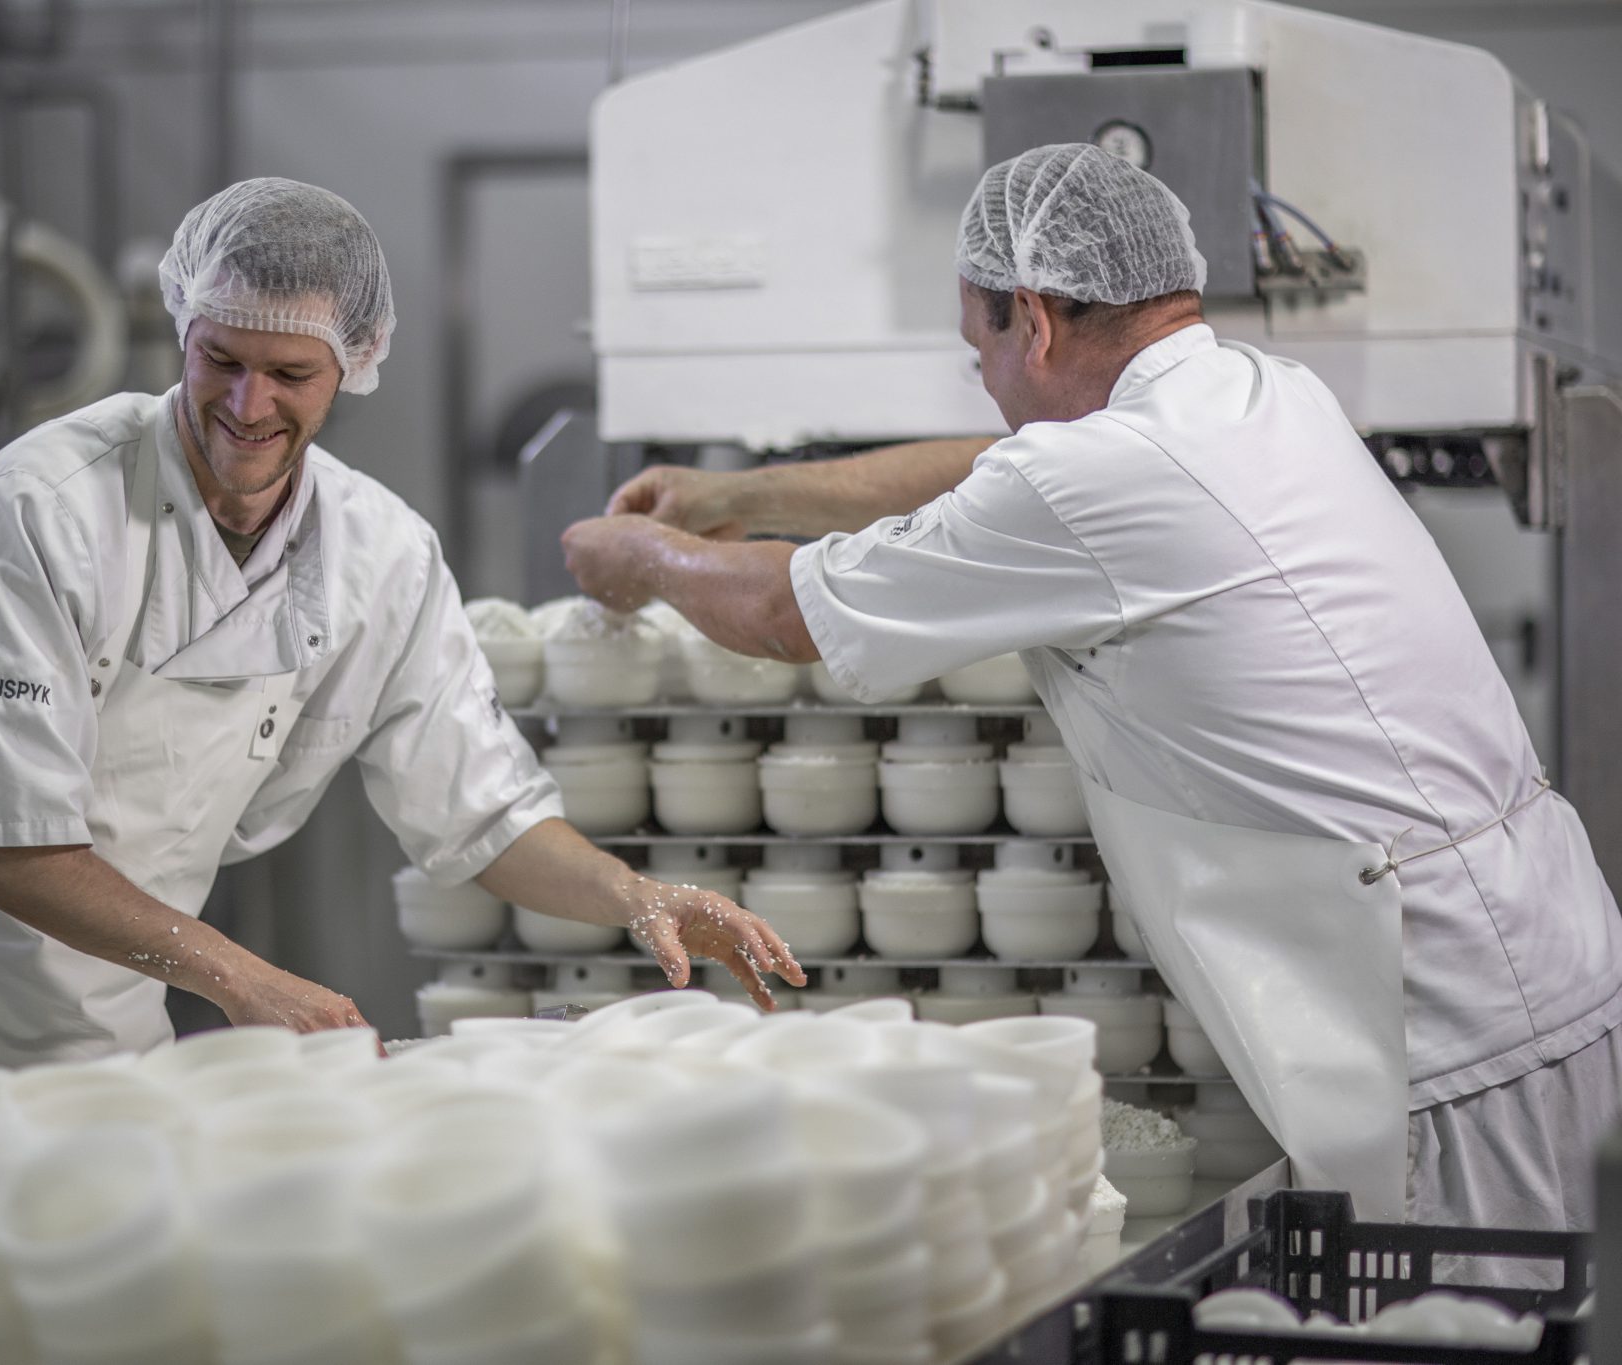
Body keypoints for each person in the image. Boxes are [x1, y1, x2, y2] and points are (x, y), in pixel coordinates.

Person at [562, 143, 1622, 1230]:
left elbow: (790, 613)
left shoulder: (1090, 479)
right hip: (1542, 960)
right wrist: (741, 491)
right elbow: (996, 467)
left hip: (1450, 1038)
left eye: (976, 346)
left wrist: (638, 558)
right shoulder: (1256, 391)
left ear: (1032, 319)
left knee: (1481, 1343)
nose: (981, 377)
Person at [0, 178, 802, 1067]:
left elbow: (479, 814)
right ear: (182, 327)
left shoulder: (379, 552)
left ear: (353, 365)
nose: (246, 401)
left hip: (106, 1031)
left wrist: (635, 898)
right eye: (218, 359)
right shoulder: (41, 510)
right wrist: (237, 977)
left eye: (289, 374)